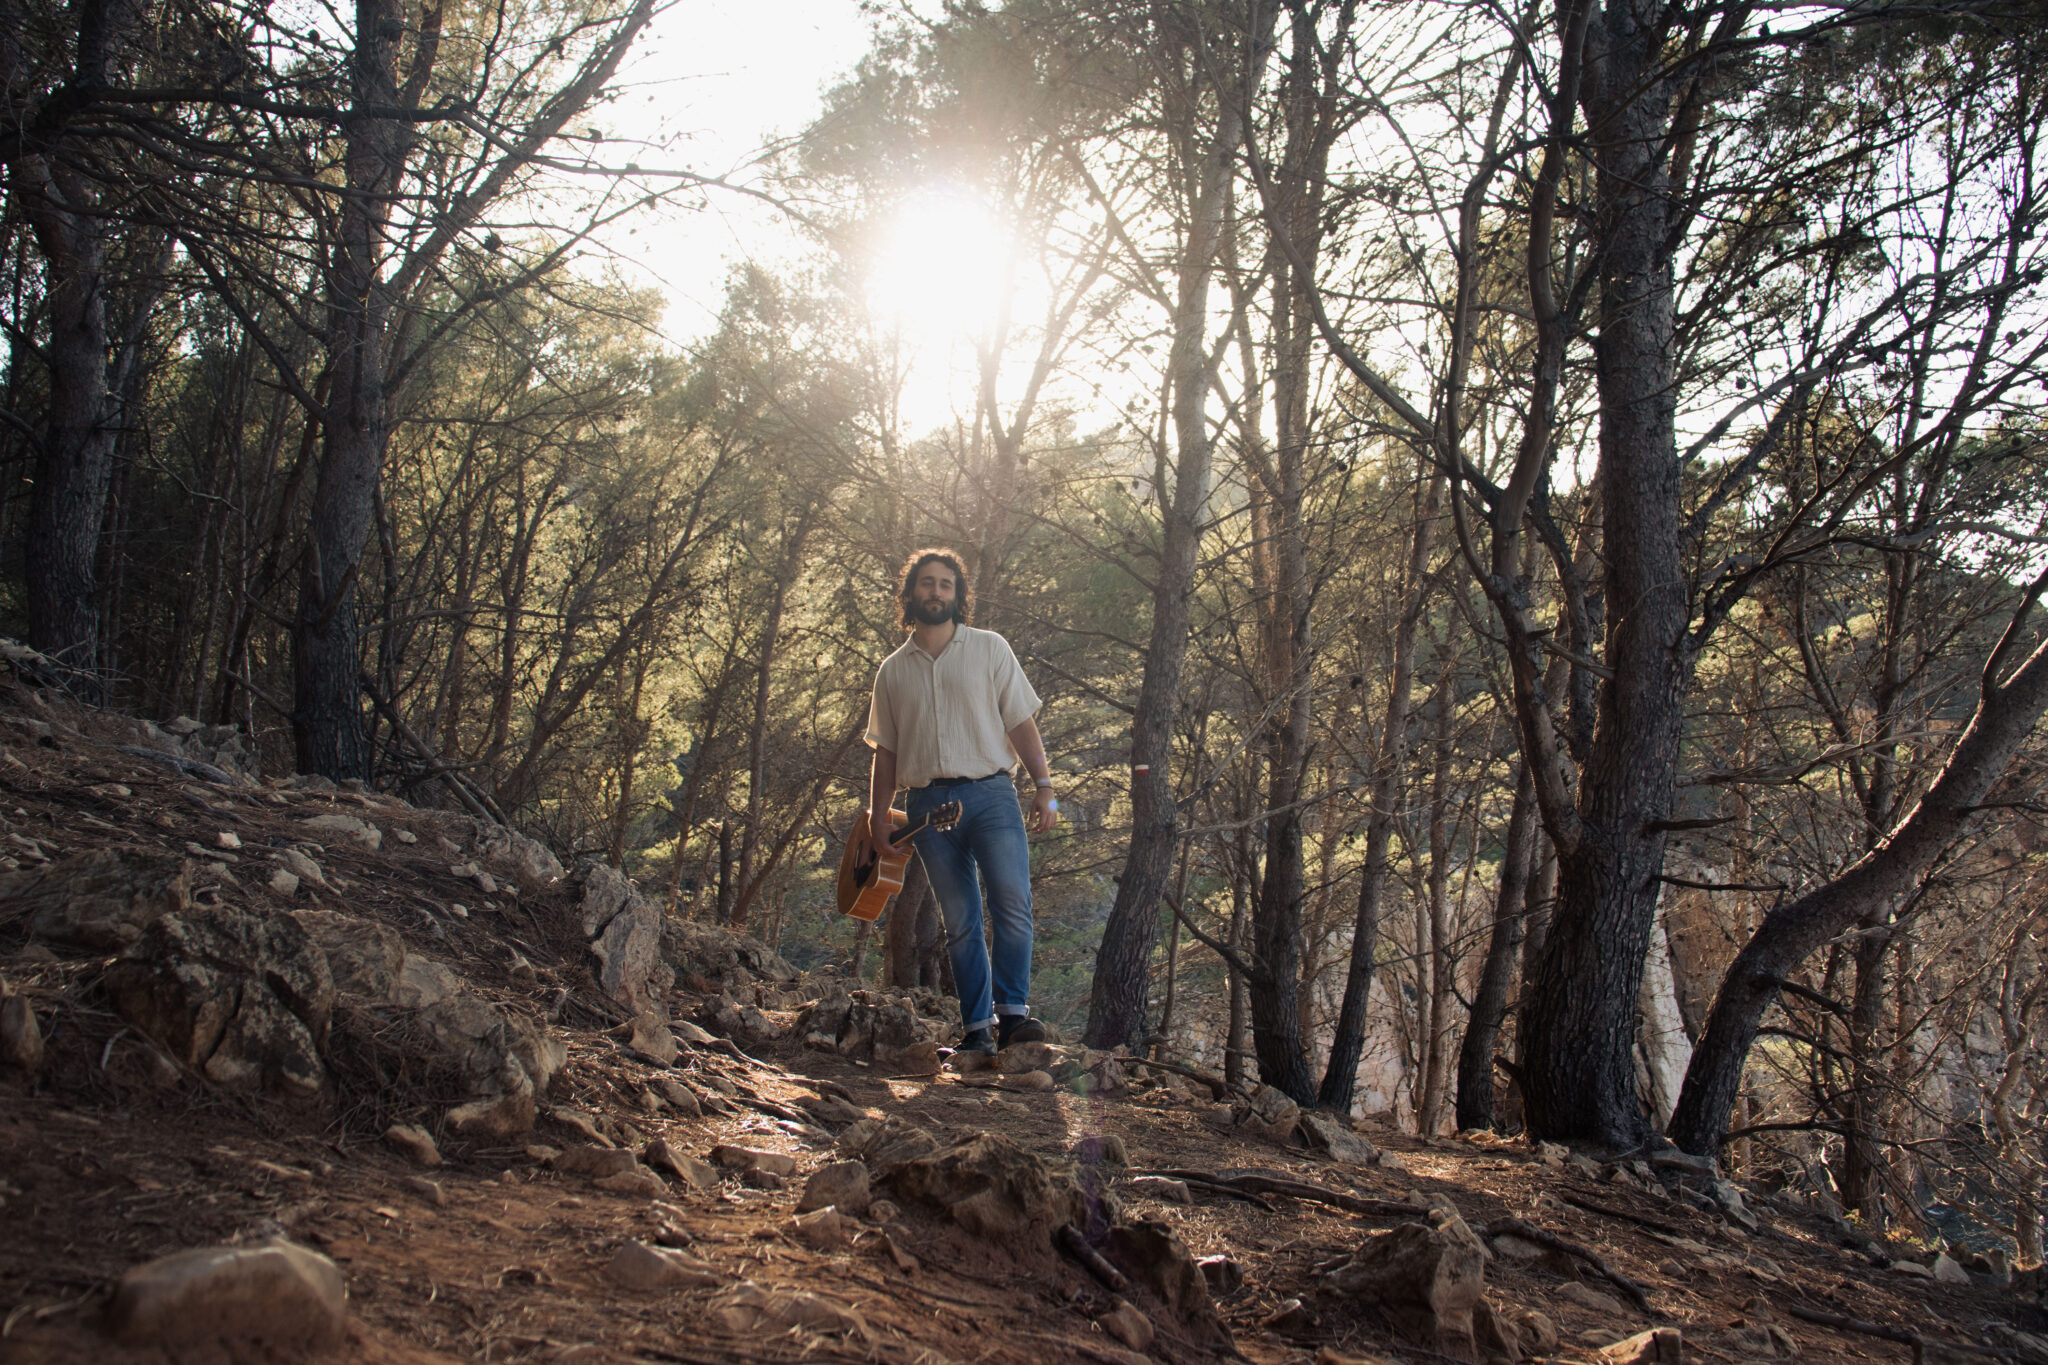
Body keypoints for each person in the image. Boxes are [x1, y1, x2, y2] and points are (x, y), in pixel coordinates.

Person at [863, 547, 1060, 1055]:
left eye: (945, 584)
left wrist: (1043, 786)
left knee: (1012, 903)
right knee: (961, 922)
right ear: (911, 594)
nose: (935, 592)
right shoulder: (892, 671)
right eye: (926, 583)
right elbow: (885, 752)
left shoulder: (990, 649)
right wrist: (879, 817)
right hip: (927, 804)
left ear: (958, 595)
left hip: (992, 794)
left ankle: (1014, 1017)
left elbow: (1021, 721)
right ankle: (977, 1030)